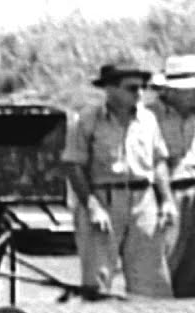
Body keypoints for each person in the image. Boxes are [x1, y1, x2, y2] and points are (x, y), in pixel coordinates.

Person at [62, 62, 179, 298]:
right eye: (132, 88)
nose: (139, 93)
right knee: (98, 281)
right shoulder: (87, 120)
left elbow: (158, 162)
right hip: (104, 200)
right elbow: (74, 165)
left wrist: (166, 200)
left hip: (143, 201)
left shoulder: (148, 120)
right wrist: (92, 206)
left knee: (151, 281)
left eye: (142, 87)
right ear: (110, 89)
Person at [148, 54, 195, 298]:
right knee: (163, 262)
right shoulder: (148, 116)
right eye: (187, 90)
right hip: (162, 194)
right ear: (169, 91)